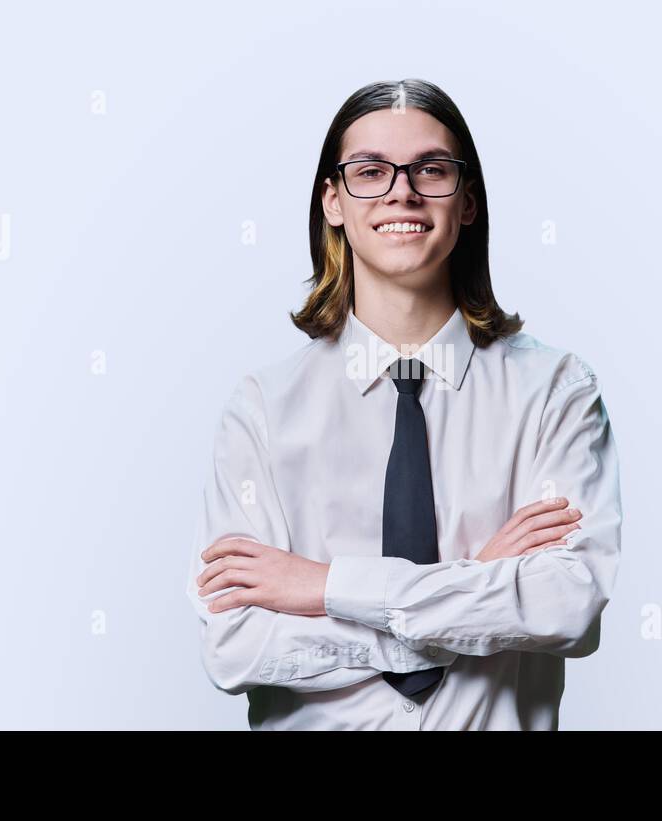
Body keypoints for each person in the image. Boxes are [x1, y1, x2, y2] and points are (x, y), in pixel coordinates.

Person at [187, 78, 623, 730]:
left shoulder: (555, 391)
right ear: (332, 201)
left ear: (467, 200)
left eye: (431, 169)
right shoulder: (262, 412)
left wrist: (323, 587)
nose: (402, 190)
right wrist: (475, 584)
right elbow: (234, 648)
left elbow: (566, 605)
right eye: (370, 171)